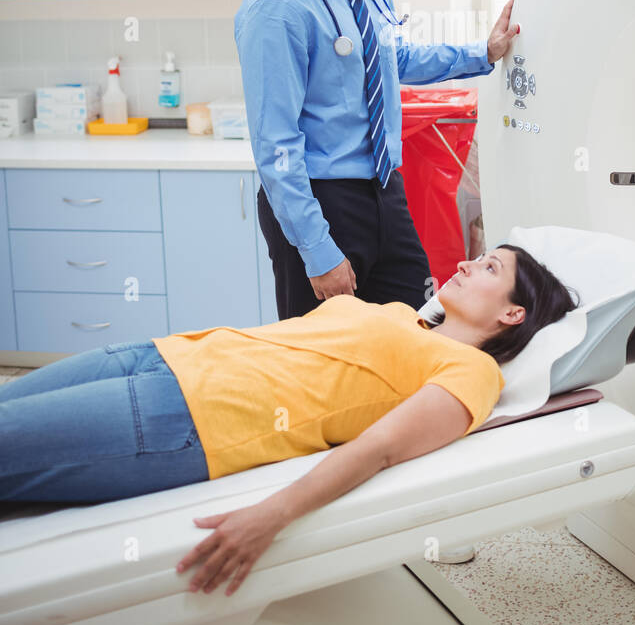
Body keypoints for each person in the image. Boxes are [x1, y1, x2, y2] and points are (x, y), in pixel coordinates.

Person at [0, 245, 578, 597]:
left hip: (186, 417)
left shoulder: (472, 371)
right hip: (162, 354)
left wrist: (271, 516)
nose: (465, 263)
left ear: (512, 311)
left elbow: (380, 448)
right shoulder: (405, 316)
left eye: (488, 266)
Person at [236, 0, 519, 318]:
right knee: (329, 361)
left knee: (418, 329)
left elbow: (393, 59)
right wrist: (319, 251)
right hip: (321, 200)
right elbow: (276, 146)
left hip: (385, 190)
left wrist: (482, 53)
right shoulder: (277, 7)